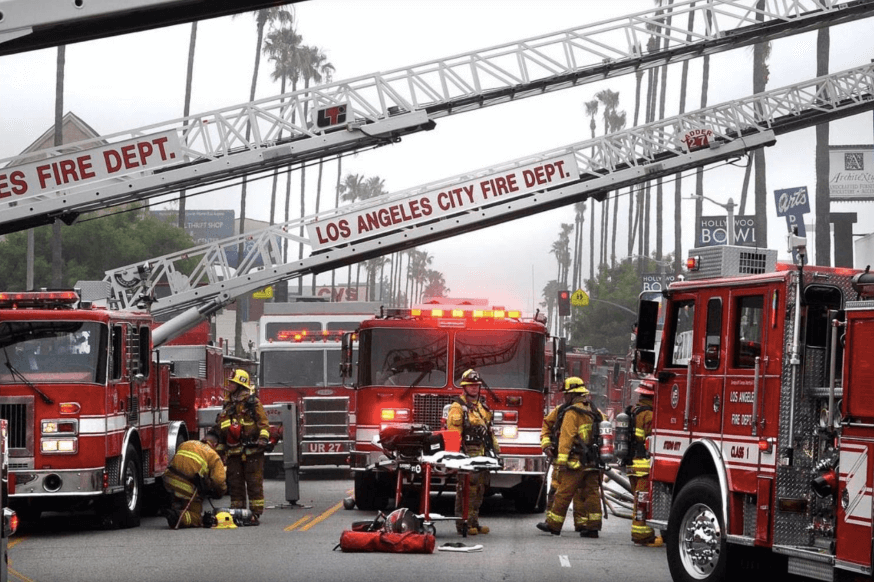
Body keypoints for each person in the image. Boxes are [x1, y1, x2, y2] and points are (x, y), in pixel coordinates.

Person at [536, 377, 605, 537]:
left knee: (563, 493)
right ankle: (593, 528)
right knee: (592, 493)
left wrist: (561, 463)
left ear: (572, 394)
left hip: (575, 462)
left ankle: (553, 525)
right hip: (593, 462)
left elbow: (566, 439)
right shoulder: (595, 411)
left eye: (566, 394)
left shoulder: (572, 413)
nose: (564, 397)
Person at [205, 368, 270, 524]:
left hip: (252, 450)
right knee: (235, 483)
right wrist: (218, 448)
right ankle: (238, 512)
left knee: (254, 482)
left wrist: (262, 439)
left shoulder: (252, 403)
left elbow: (264, 424)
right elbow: (222, 426)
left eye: (233, 383)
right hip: (233, 451)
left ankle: (255, 514)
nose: (230, 385)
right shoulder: (228, 404)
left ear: (241, 385)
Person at [446, 368, 500, 536]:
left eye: (476, 385)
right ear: (464, 387)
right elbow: (454, 435)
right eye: (470, 385)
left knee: (480, 490)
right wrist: (455, 458)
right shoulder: (458, 407)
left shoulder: (482, 407)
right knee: (467, 490)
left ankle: (474, 521)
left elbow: (490, 432)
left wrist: (497, 453)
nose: (474, 388)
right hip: (467, 456)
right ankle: (463, 524)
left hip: (483, 455)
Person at [163, 439, 227, 529]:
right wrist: (219, 492)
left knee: (180, 495)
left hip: (168, 480)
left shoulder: (186, 443)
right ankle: (178, 517)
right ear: (215, 445)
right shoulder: (213, 455)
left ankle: (175, 505)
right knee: (196, 514)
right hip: (186, 486)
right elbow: (219, 481)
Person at [628, 383, 663, 547]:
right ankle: (641, 534)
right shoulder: (648, 415)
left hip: (632, 465)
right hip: (643, 466)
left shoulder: (633, 411)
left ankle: (643, 532)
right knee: (642, 501)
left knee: (638, 500)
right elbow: (651, 439)